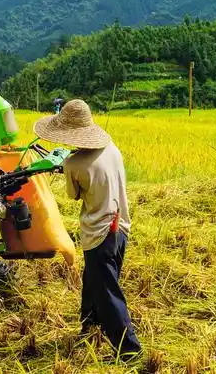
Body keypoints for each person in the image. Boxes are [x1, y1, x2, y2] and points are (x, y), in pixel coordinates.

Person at [33, 99, 142, 361]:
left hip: (99, 233)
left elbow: (73, 195)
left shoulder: (74, 164)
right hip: (121, 226)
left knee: (107, 291)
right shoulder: (112, 148)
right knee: (94, 278)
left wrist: (66, 169)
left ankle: (129, 350)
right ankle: (89, 325)